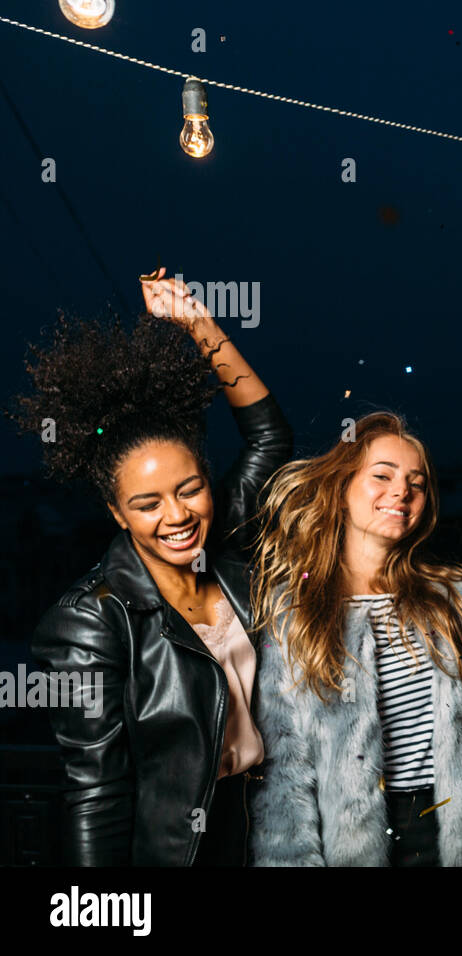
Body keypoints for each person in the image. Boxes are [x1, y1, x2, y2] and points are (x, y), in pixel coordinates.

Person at [15, 268, 292, 865]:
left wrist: (195, 320)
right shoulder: (89, 622)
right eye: (147, 503)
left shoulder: (229, 553)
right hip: (188, 849)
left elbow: (268, 436)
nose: (177, 515)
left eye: (189, 488)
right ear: (117, 512)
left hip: (278, 826)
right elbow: (95, 793)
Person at [248, 411, 462, 866]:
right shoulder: (295, 612)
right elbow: (284, 774)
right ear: (342, 487)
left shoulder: (456, 600)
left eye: (417, 482)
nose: (402, 491)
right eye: (382, 475)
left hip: (451, 839)